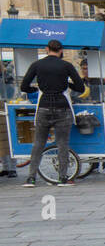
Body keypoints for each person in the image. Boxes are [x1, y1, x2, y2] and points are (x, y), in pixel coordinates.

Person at [20, 39, 85, 187]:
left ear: (46, 49)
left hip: (43, 107)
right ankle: (62, 178)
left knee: (38, 143)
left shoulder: (37, 65)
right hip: (62, 107)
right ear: (61, 50)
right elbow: (80, 88)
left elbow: (24, 86)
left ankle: (31, 178)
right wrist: (67, 84)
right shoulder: (66, 65)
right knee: (62, 144)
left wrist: (35, 90)